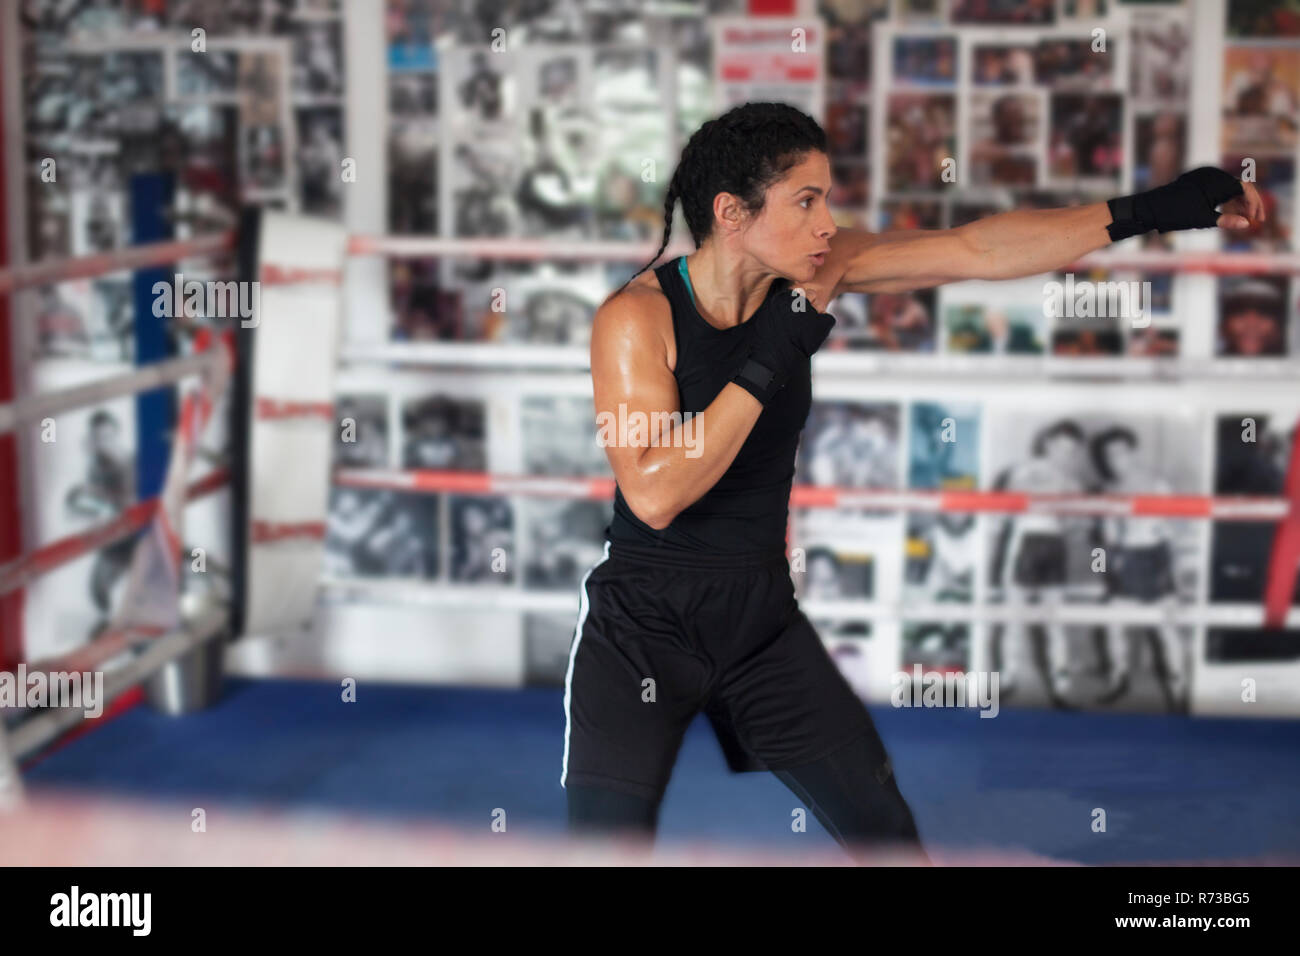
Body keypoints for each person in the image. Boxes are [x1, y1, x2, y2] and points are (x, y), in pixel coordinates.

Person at [564, 101, 1260, 862]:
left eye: (827, 198)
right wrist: (770, 359)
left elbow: (977, 250)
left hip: (757, 622)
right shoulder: (636, 318)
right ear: (732, 213)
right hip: (641, 630)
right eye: (807, 201)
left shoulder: (814, 271)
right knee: (605, 853)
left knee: (886, 838)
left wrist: (1155, 209)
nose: (829, 222)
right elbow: (657, 494)